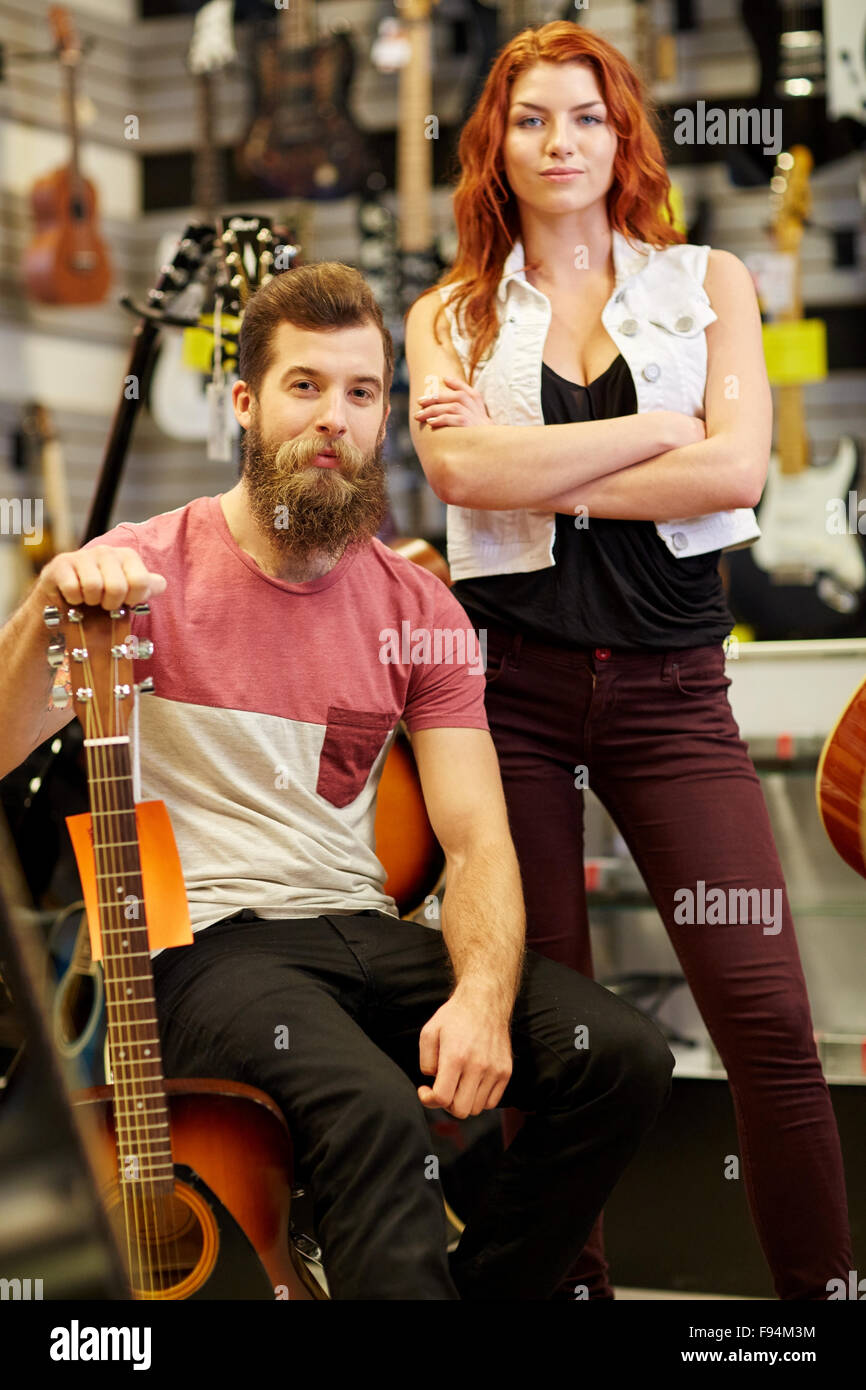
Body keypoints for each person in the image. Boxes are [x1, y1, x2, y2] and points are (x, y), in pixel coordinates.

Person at [0, 261, 674, 1300]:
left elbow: (476, 841)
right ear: (245, 403)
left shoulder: (418, 607)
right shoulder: (137, 573)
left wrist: (484, 1002)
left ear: (385, 417)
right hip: (207, 944)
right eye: (303, 386)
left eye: (360, 393)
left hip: (359, 927)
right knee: (373, 1108)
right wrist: (45, 598)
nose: (332, 419)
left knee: (619, 1053)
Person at [405, 22, 853, 1300]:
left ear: (622, 137)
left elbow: (733, 472)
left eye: (585, 118)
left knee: (767, 1024)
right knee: (556, 1039)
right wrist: (659, 433)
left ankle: (817, 1307)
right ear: (496, 140)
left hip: (672, 691)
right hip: (507, 698)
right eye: (532, 118)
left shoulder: (706, 281)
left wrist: (534, 470)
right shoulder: (453, 309)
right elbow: (453, 472)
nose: (559, 142)